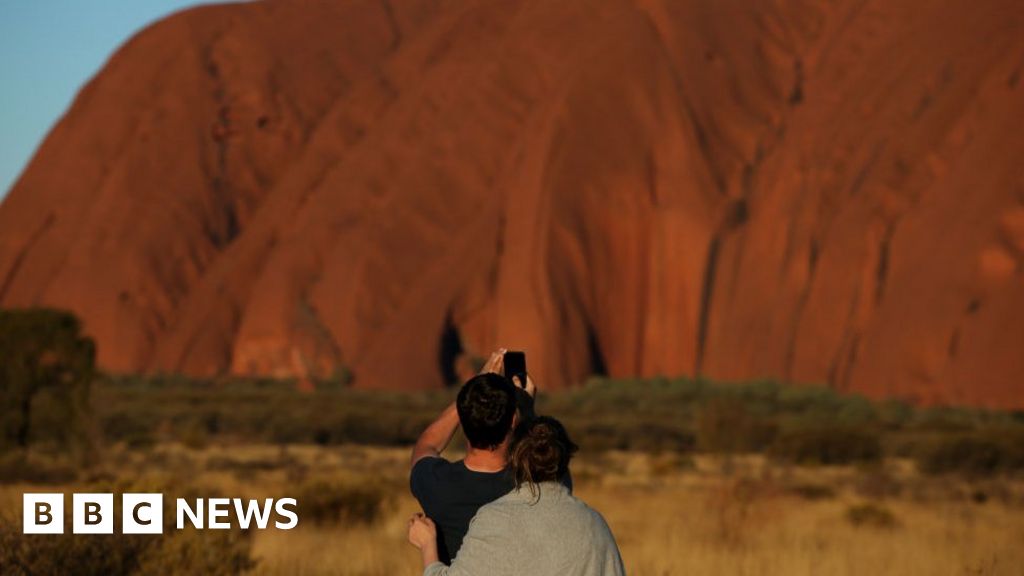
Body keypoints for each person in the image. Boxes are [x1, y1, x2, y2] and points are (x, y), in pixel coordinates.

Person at [407, 416, 625, 576]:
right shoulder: (594, 523)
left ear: (514, 459)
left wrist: (427, 544)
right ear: (565, 461)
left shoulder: (496, 519)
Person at [409, 348, 539, 564]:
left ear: (464, 420)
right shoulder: (536, 486)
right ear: (513, 422)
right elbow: (547, 457)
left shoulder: (437, 484)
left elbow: (427, 444)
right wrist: (527, 410)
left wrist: (472, 389)